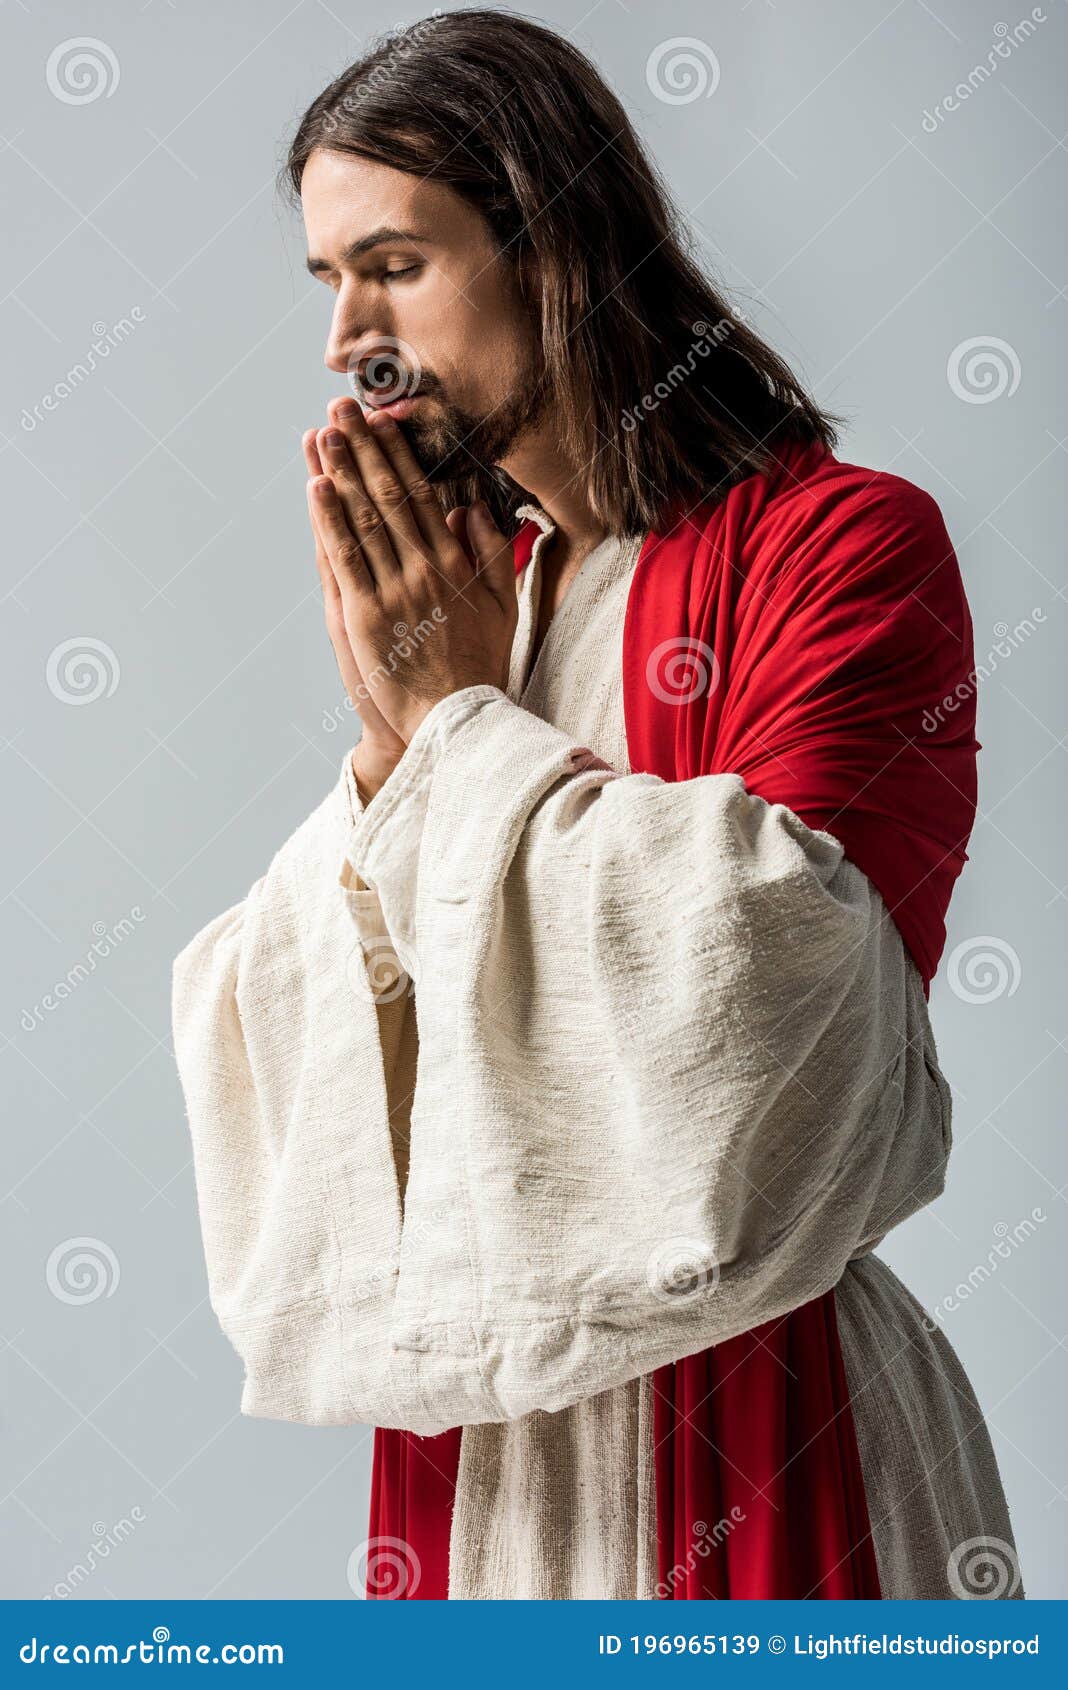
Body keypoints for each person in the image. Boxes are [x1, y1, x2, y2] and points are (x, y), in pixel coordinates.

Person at [172, 9, 1021, 1601]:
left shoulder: (843, 553)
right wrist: (388, 765)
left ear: (553, 249)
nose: (346, 334)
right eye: (327, 280)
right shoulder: (481, 606)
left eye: (396, 264)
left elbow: (792, 1022)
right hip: (474, 1488)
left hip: (768, 1444)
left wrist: (456, 730)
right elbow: (347, 1071)